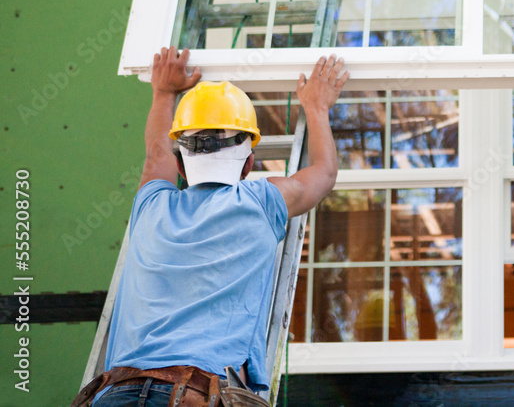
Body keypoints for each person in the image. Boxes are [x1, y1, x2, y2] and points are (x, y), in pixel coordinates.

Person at [74, 47, 349, 407]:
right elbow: (324, 174)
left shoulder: (152, 204)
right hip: (197, 396)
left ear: (182, 169)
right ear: (248, 164)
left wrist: (163, 92)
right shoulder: (261, 201)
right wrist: (316, 106)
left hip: (116, 394)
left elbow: (157, 154)